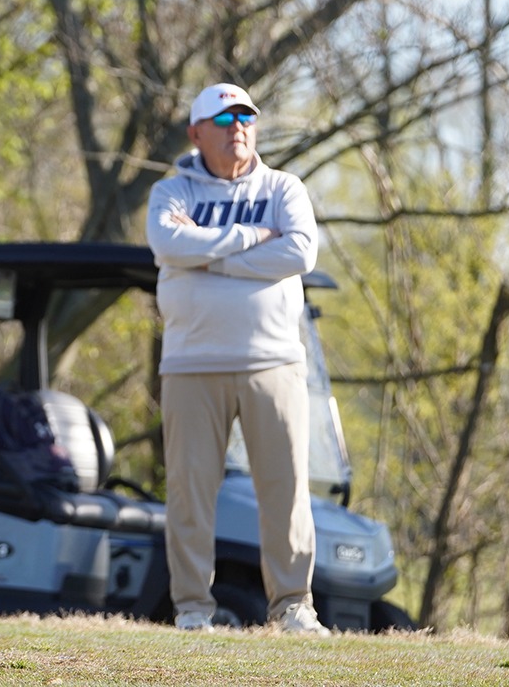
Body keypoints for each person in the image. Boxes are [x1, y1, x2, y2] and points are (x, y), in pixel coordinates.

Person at [145, 82, 331, 637]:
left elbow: (299, 250)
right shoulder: (171, 192)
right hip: (190, 363)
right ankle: (193, 607)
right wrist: (251, 237)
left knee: (286, 486)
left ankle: (293, 604)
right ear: (196, 132)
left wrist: (213, 257)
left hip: (272, 361)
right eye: (224, 121)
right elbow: (167, 245)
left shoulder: (283, 187)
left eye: (245, 119)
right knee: (190, 490)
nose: (238, 130)